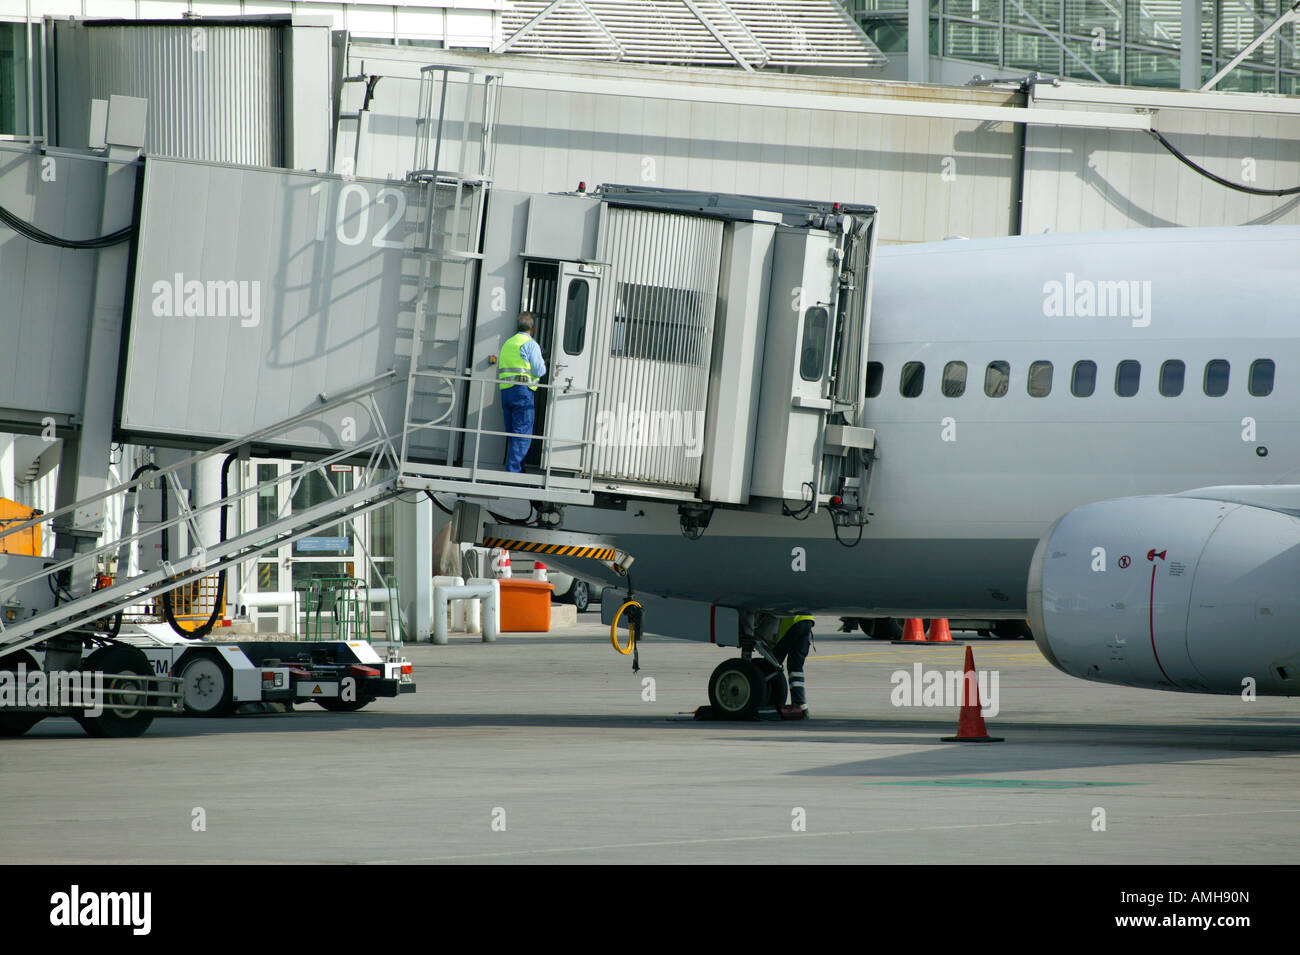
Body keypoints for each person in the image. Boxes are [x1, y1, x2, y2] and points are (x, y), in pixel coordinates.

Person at [496, 313, 547, 472]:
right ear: (533, 328)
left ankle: (518, 468)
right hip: (522, 391)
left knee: (513, 433)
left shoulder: (508, 343)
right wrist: (543, 360)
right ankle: (513, 473)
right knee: (522, 434)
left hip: (506, 392)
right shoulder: (531, 344)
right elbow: (539, 371)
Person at [772, 614, 815, 719]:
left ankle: (770, 700)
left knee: (773, 663)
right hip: (807, 621)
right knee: (795, 667)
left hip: (793, 623)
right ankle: (800, 705)